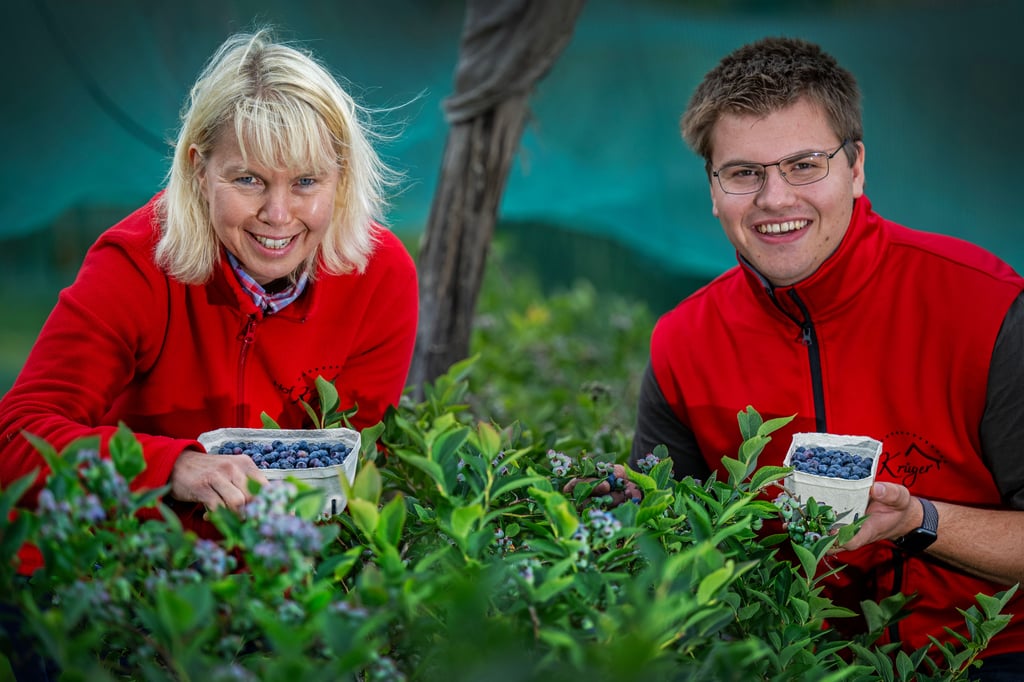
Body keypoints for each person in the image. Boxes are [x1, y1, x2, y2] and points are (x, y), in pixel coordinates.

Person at [627, 37, 1024, 678]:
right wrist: (613, 506)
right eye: (743, 173)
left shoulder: (986, 306)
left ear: (856, 167)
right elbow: (665, 534)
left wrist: (919, 520)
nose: (775, 198)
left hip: (987, 653)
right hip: (790, 656)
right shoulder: (683, 341)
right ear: (713, 189)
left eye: (804, 165)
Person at [0, 28, 418, 559]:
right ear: (200, 170)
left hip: (283, 576)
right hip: (126, 569)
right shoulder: (137, 262)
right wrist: (171, 467)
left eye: (306, 182)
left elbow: (355, 465)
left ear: (341, 178)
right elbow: (17, 438)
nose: (278, 214)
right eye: (248, 180)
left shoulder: (379, 276)